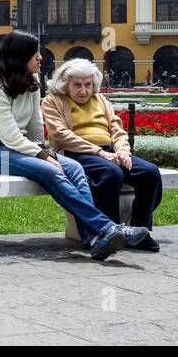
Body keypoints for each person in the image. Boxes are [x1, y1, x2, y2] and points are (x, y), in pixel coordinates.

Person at [0, 30, 149, 260]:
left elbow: (34, 125)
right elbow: (10, 136)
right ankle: (106, 228)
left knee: (75, 168)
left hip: (19, 147)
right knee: (51, 170)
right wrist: (43, 156)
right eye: (36, 52)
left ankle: (94, 239)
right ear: (20, 55)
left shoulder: (31, 83)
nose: (41, 57)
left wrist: (42, 149)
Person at [42, 59, 162, 250]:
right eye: (77, 85)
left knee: (150, 173)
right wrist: (98, 151)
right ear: (65, 85)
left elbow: (117, 130)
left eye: (88, 85)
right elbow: (60, 135)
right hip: (76, 152)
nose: (84, 91)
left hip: (108, 151)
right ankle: (113, 232)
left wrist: (122, 151)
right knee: (112, 173)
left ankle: (140, 230)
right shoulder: (52, 101)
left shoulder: (101, 100)